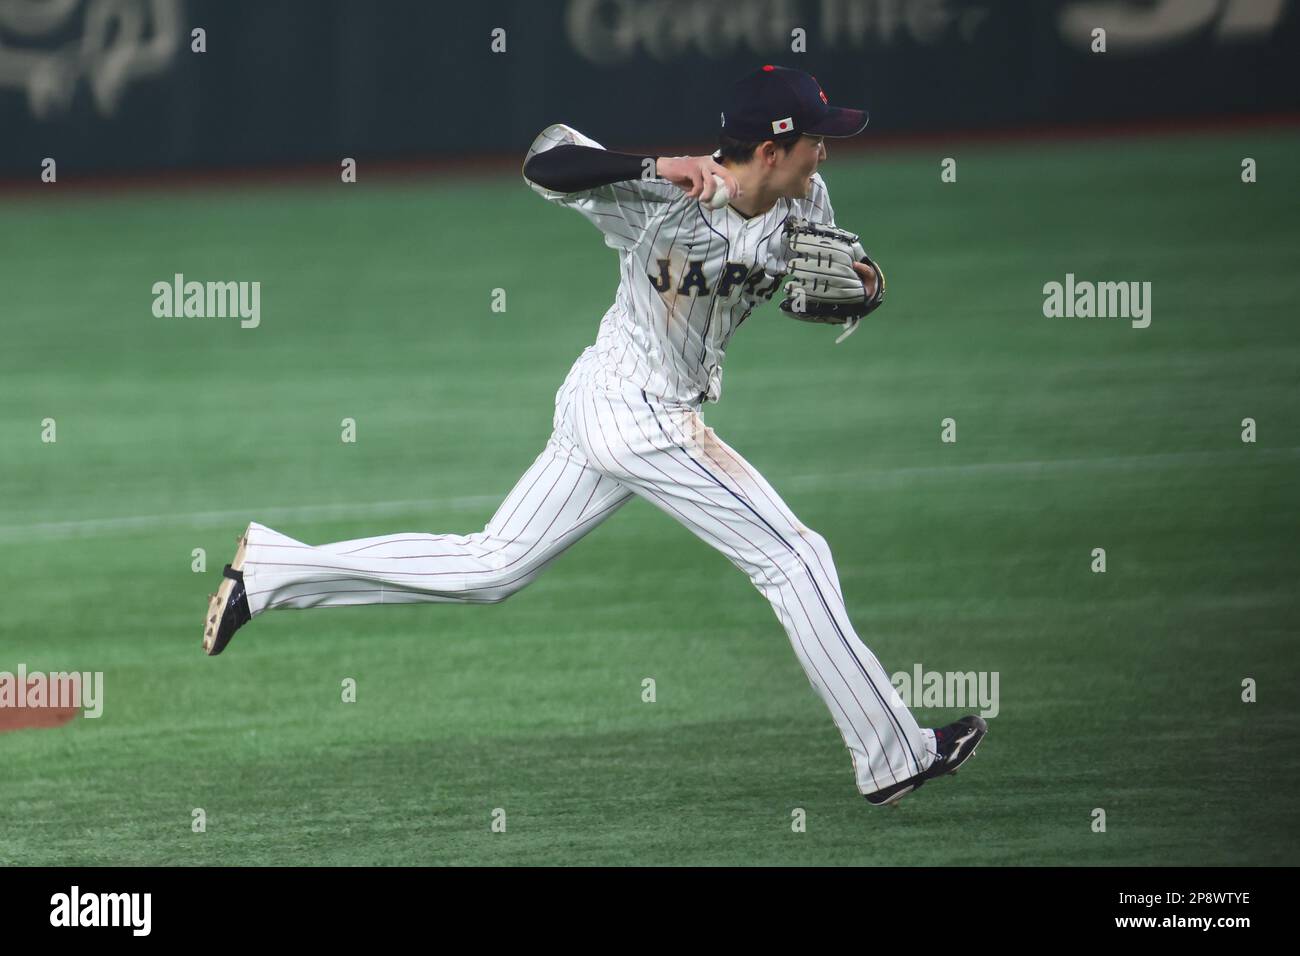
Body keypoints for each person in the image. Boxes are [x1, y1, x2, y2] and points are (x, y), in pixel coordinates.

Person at [202, 65, 986, 806]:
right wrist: (652, 164)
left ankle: (271, 570)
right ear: (772, 150)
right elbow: (546, 164)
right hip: (636, 415)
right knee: (795, 558)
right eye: (815, 138)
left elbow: (839, 280)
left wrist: (866, 283)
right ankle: (894, 757)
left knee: (493, 565)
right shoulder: (664, 199)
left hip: (614, 405)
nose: (826, 150)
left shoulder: (806, 200)